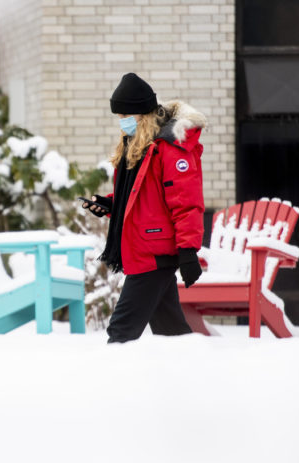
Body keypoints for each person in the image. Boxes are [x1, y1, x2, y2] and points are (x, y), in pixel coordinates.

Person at [82, 72, 206, 343]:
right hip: (144, 250)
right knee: (172, 333)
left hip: (154, 253)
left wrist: (188, 251)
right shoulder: (137, 147)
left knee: (120, 334)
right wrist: (109, 204)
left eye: (125, 115)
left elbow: (186, 204)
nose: (121, 122)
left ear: (141, 114)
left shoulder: (170, 149)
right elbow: (140, 198)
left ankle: (115, 381)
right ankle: (194, 374)